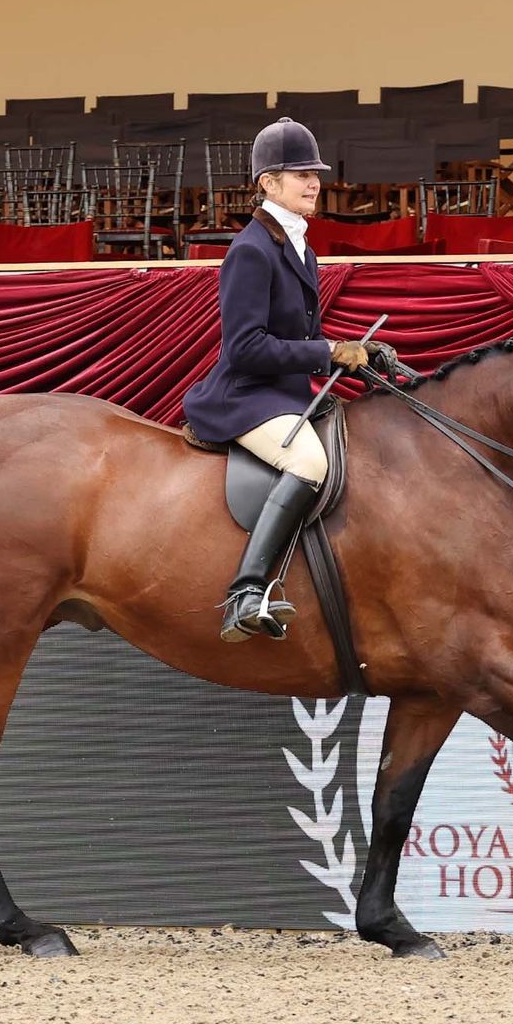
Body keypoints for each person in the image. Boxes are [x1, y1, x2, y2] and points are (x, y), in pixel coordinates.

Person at [182, 118, 378, 643]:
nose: (313, 183)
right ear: (268, 183)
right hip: (245, 396)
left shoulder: (299, 247)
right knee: (309, 461)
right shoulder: (251, 250)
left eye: (315, 174)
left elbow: (300, 334)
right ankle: (245, 591)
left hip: (284, 392)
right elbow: (244, 348)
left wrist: (359, 352)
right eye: (299, 175)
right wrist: (327, 351)